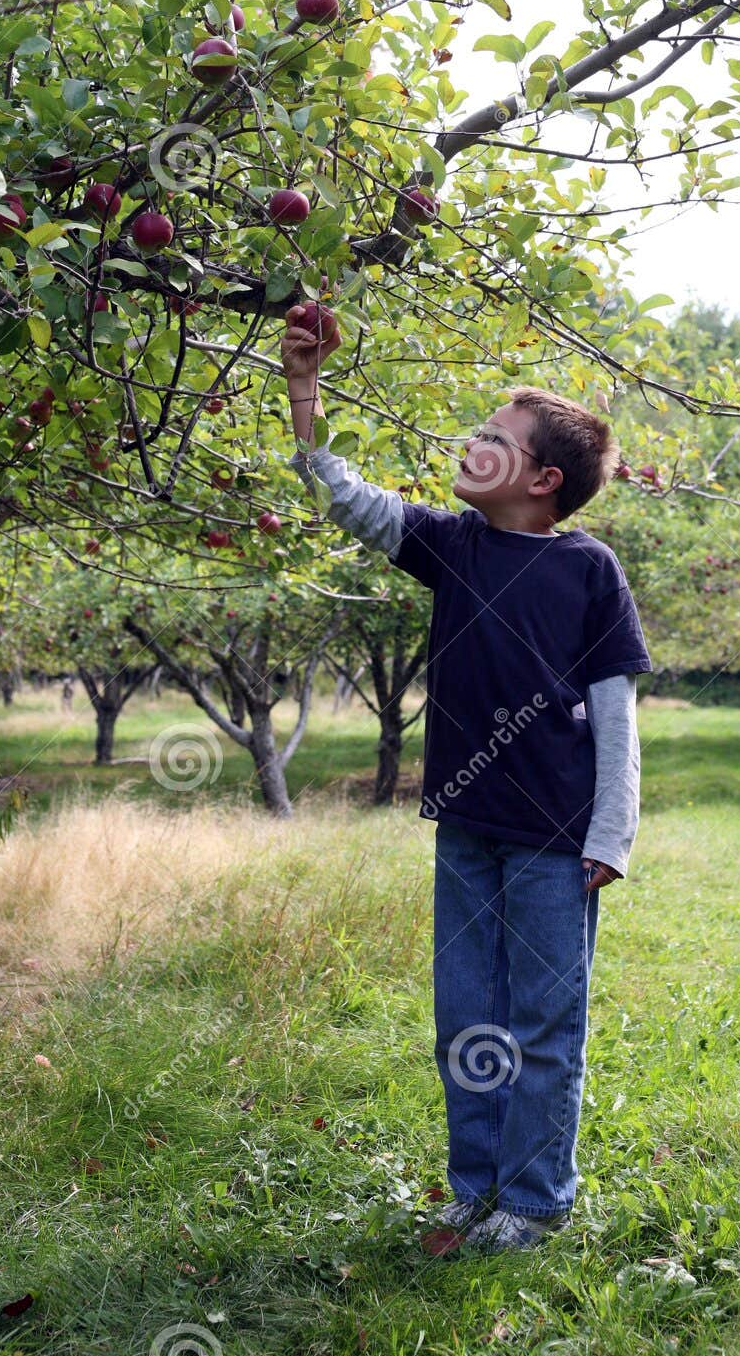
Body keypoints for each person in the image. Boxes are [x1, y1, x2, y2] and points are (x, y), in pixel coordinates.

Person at [279, 303, 653, 1255]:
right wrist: (304, 387)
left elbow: (614, 713)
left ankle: (533, 1200)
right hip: (467, 828)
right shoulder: (453, 546)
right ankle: (474, 1186)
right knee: (467, 1017)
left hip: (553, 841)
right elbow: (342, 492)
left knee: (541, 1020)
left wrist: (611, 834)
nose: (472, 444)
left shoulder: (588, 571)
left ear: (541, 478)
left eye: (494, 438)